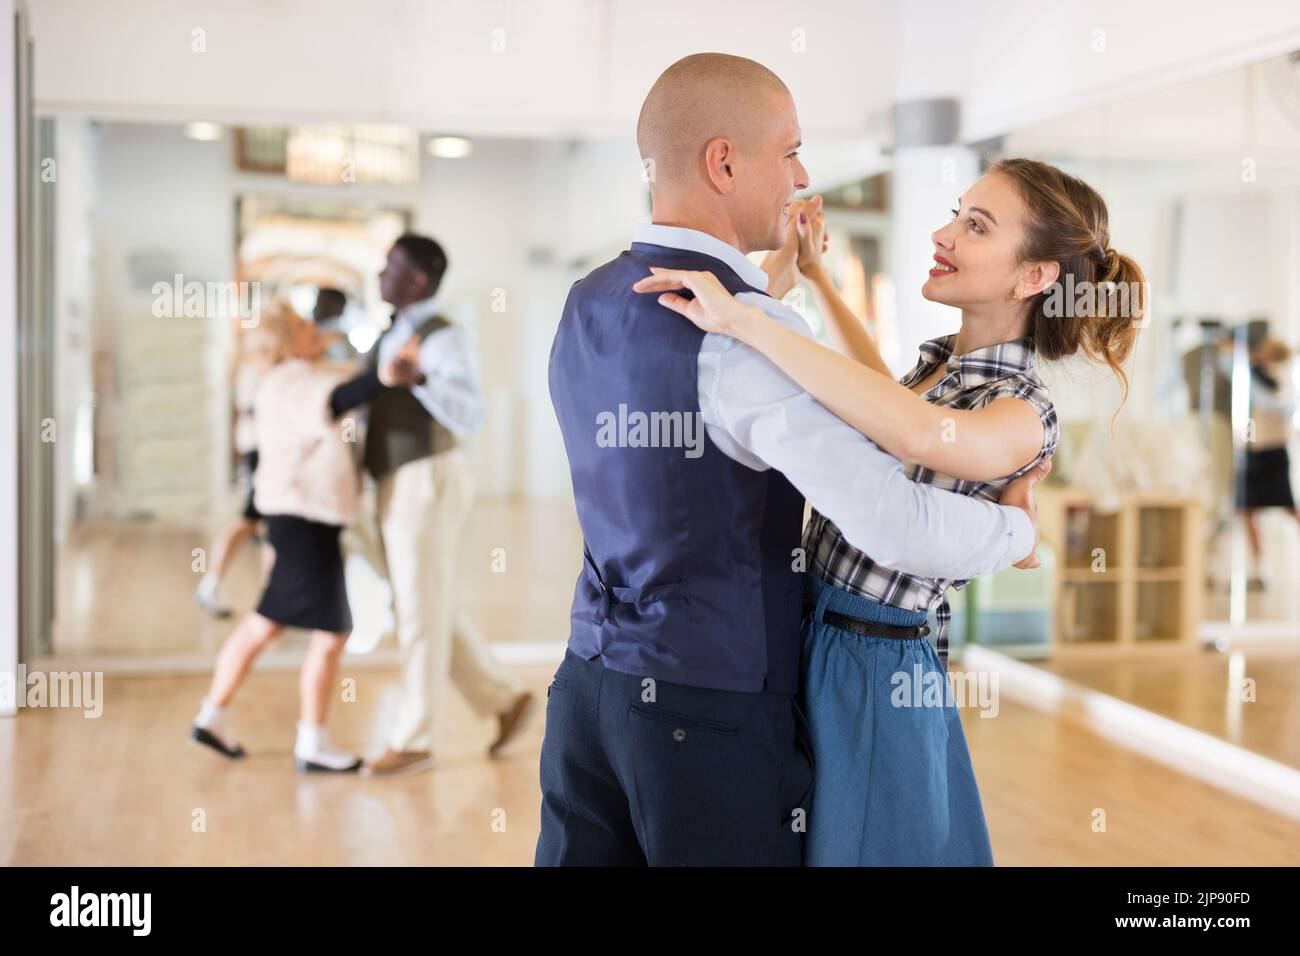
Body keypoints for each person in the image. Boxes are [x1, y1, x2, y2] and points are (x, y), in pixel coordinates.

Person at [535, 52, 1050, 867]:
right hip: (703, 712)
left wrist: (782, 292)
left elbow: (891, 417)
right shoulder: (736, 330)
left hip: (586, 694)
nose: (803, 174)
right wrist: (1018, 533)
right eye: (790, 152)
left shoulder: (589, 298)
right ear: (724, 162)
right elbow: (895, 520)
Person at [639, 157, 1144, 865]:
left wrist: (746, 323)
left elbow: (910, 432)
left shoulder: (1023, 412)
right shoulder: (937, 372)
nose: (944, 233)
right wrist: (813, 276)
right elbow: (884, 402)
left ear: (1034, 277)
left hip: (876, 663)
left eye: (975, 226)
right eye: (955, 212)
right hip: (818, 627)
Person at [190, 300, 425, 772]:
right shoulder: (290, 381)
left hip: (299, 518)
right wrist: (384, 376)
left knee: (267, 623)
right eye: (301, 325)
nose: (312, 327)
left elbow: (339, 384)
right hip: (303, 519)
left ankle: (213, 716)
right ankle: (311, 741)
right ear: (283, 342)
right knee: (331, 631)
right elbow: (335, 400)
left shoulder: (294, 376)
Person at [361, 234, 535, 777]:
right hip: (400, 479)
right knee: (423, 604)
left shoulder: (443, 338)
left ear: (416, 280)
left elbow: (469, 414)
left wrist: (422, 380)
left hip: (426, 479)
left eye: (390, 266)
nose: (379, 273)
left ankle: (415, 739)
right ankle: (503, 700)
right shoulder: (399, 330)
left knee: (418, 610)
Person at [1239, 336, 1298, 583]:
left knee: (1289, 507)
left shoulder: (1278, 381)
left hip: (1273, 450)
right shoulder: (1252, 373)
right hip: (1256, 450)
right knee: (1248, 510)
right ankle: (1260, 566)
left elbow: (1275, 405)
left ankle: (1260, 566)